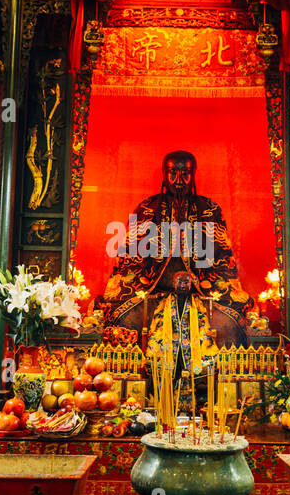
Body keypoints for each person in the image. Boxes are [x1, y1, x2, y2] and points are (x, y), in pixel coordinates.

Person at [97, 151, 253, 361]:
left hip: (202, 291)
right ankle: (138, 377)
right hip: (153, 290)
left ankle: (215, 379)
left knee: (230, 323)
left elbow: (223, 258)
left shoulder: (209, 209)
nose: (179, 180)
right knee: (121, 318)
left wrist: (199, 276)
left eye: (185, 173)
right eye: (172, 173)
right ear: (163, 173)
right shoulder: (147, 208)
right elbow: (129, 257)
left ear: (194, 174)